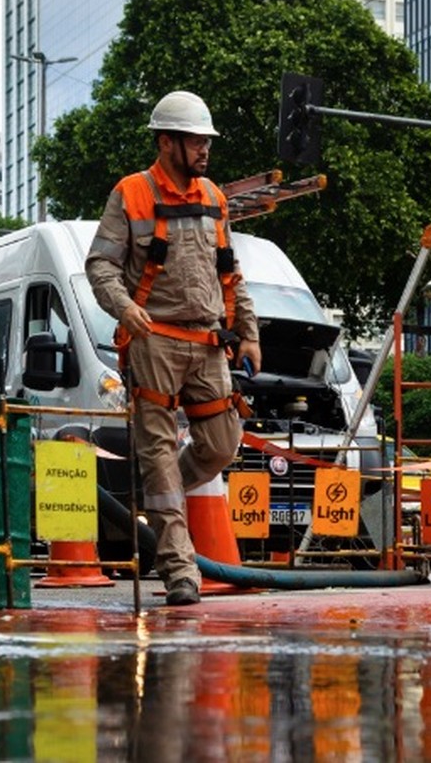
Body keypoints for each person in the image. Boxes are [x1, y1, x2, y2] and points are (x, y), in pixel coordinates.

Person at [85, 90, 262, 606]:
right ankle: (180, 571)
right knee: (159, 455)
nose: (204, 149)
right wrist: (124, 308)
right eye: (194, 140)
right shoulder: (131, 193)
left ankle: (160, 496)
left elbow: (230, 273)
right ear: (166, 142)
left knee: (221, 445)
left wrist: (247, 330)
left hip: (207, 344)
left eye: (206, 141)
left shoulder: (214, 198)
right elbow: (101, 265)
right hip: (153, 341)